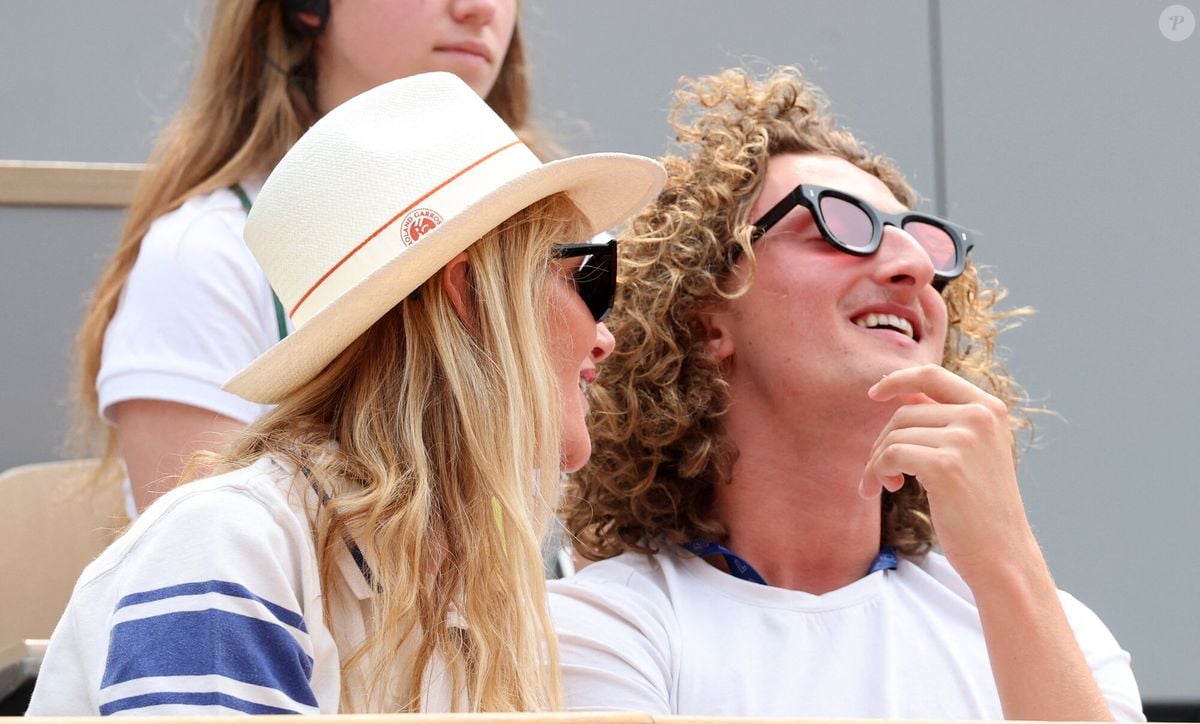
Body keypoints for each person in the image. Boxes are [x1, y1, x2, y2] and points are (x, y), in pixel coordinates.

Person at [28, 72, 665, 715]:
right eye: (588, 276)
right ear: (471, 294)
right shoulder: (233, 546)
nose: (605, 336)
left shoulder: (475, 584)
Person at [550, 66, 1144, 721]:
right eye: (838, 224)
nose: (914, 266)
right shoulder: (601, 626)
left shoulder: (1061, 636)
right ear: (705, 317)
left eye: (921, 241)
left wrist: (1007, 560)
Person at [73, 0, 545, 515]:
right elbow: (209, 569)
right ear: (307, 8)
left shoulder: (563, 228)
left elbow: (597, 533)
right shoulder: (204, 255)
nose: (479, 9)